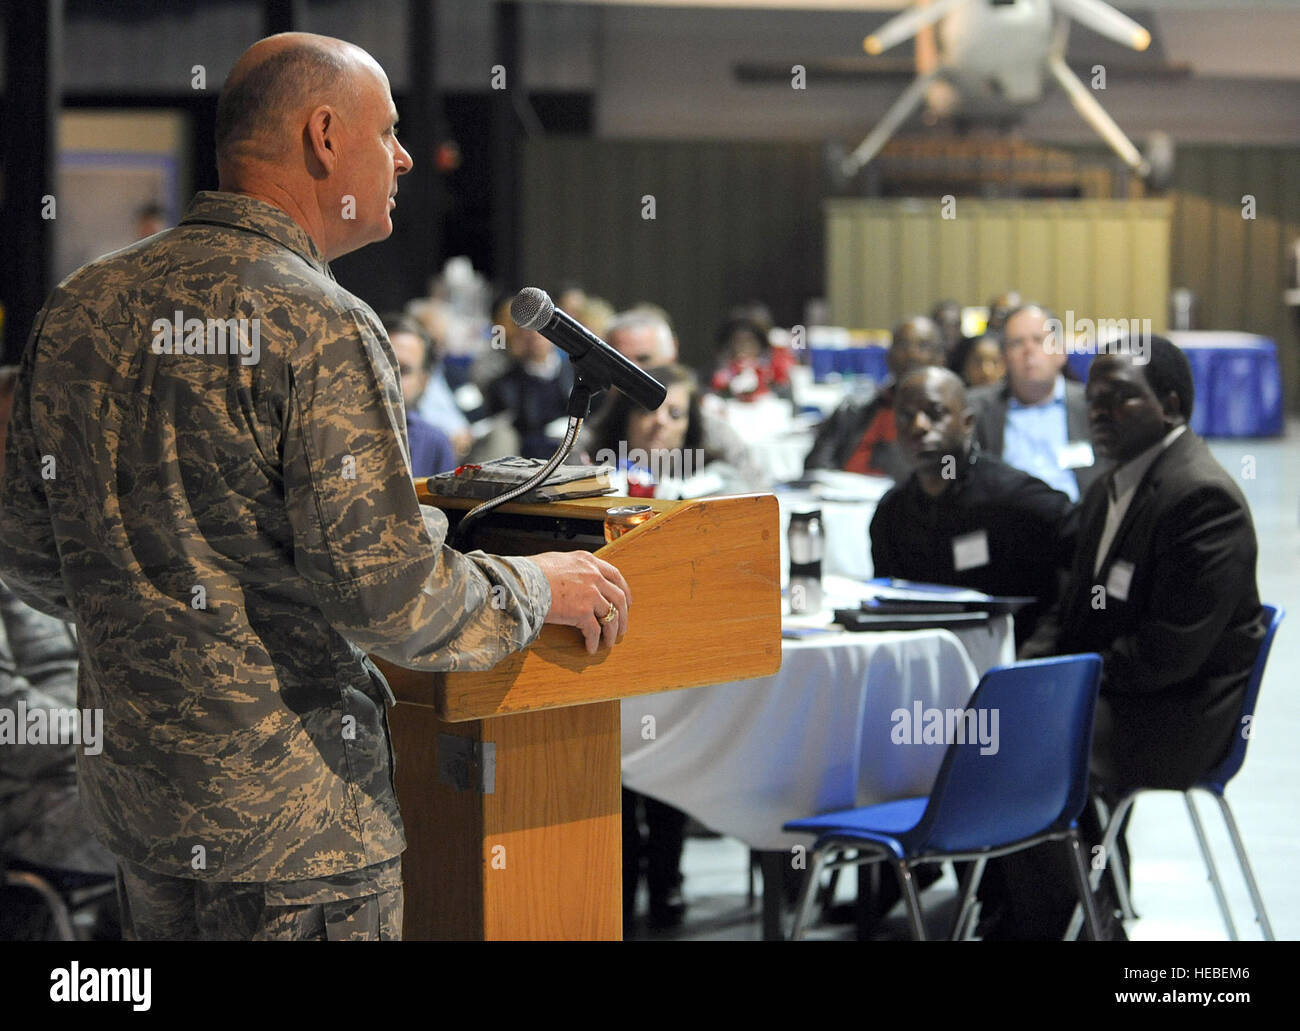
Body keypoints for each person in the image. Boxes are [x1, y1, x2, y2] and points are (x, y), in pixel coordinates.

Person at [0, 32, 631, 942]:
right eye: (391, 132)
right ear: (325, 136)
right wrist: (542, 586)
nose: (407, 157)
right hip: (292, 834)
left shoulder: (82, 305)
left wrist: (156, 623)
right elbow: (392, 597)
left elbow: (27, 556)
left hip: (141, 814)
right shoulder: (316, 320)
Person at [984, 338, 1267, 939]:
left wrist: (1063, 691)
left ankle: (1063, 926)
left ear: (1169, 404)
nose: (1100, 413)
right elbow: (1069, 617)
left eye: (1121, 400)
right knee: (993, 723)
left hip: (1179, 718)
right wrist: (1020, 679)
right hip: (1119, 695)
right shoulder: (1108, 488)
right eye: (1095, 400)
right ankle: (1061, 917)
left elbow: (1171, 654)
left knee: (1024, 749)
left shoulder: (1202, 498)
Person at [870, 367, 1077, 647]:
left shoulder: (1014, 498)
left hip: (1012, 663)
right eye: (906, 416)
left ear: (967, 422)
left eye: (934, 413)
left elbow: (1087, 553)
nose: (918, 426)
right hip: (924, 665)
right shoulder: (892, 514)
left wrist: (1044, 647)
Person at [967, 304, 1106, 502]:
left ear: (1060, 352)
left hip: (1079, 522)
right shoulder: (978, 408)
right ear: (1004, 358)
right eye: (1016, 343)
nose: (1028, 350)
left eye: (1039, 340)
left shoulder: (1093, 405)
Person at [585, 363, 770, 499]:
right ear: (625, 417)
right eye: (647, 410)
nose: (660, 421)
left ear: (689, 425)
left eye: (674, 414)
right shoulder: (589, 473)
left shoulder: (717, 480)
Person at [803, 315, 944, 479]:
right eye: (903, 345)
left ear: (940, 358)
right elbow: (815, 465)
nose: (911, 354)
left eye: (923, 346)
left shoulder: (946, 418)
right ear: (888, 356)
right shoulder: (854, 409)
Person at [484, 310, 574, 460]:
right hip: (524, 450)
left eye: (541, 331)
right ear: (519, 337)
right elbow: (504, 420)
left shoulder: (575, 373)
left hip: (569, 441)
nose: (535, 336)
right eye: (528, 331)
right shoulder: (505, 383)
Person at [379, 312, 457, 476]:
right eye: (383, 365)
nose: (390, 378)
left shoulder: (435, 445)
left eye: (404, 371)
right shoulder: (333, 435)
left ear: (423, 382)